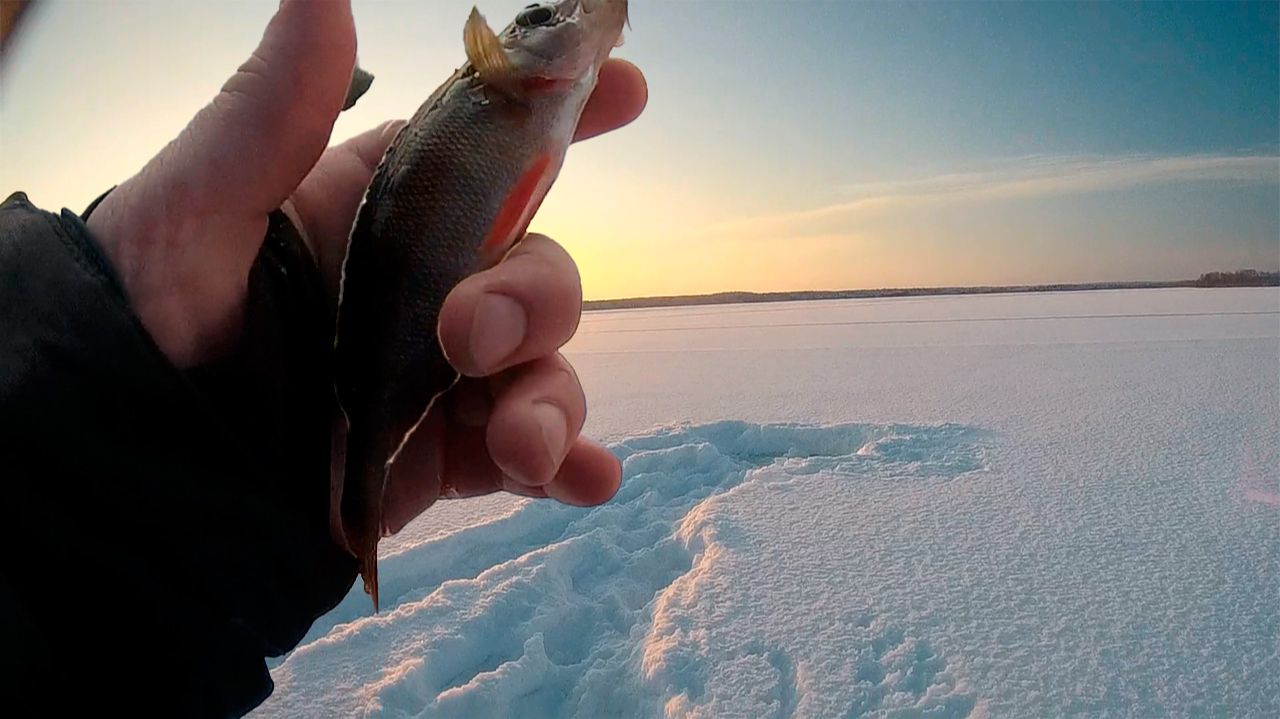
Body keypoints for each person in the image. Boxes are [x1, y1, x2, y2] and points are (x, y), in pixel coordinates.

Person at [0, 1, 646, 714]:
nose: (573, 18)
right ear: (506, 48)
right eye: (548, 14)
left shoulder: (515, 93)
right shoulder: (493, 84)